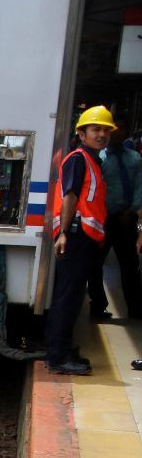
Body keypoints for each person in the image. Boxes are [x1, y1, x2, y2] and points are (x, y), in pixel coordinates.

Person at [46, 105, 115, 375]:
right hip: (75, 236)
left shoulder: (92, 160)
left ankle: (62, 349)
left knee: (73, 296)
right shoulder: (78, 159)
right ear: (82, 134)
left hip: (84, 238)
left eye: (106, 130)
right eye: (96, 129)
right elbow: (70, 196)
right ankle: (58, 356)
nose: (102, 135)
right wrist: (63, 232)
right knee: (68, 296)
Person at [87, 123, 142, 320]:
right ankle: (97, 305)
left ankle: (135, 308)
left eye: (120, 131)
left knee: (130, 265)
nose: (116, 134)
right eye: (113, 131)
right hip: (104, 218)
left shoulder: (135, 158)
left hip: (127, 218)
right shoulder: (99, 158)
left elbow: (139, 187)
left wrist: (132, 210)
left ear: (125, 133)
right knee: (95, 263)